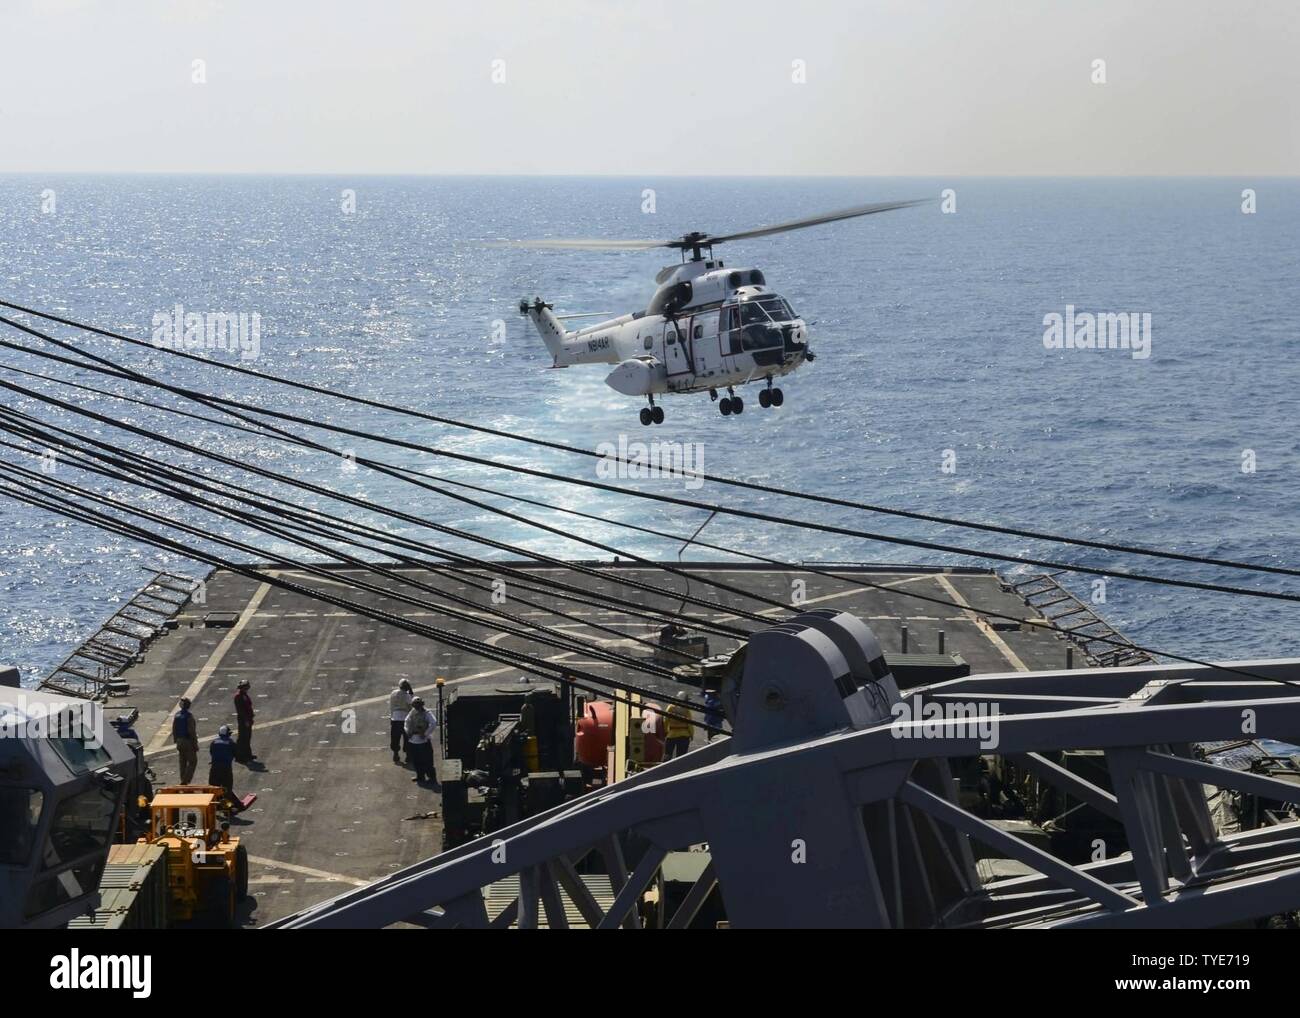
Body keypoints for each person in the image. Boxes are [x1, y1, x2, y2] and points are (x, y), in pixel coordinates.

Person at [208, 725, 243, 811]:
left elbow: (211, 752)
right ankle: (228, 808)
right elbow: (237, 755)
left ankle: (215, 806)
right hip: (226, 769)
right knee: (227, 789)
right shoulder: (231, 743)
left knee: (214, 788)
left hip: (214, 768)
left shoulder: (214, 742)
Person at [404, 697, 438, 785]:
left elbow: (434, 723)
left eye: (418, 705)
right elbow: (406, 722)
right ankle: (420, 776)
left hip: (423, 741)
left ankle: (432, 778)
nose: (417, 707)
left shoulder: (426, 713)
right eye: (415, 705)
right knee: (416, 760)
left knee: (428, 760)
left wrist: (426, 734)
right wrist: (408, 731)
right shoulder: (412, 712)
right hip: (413, 740)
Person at [173, 697, 199, 783]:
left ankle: (182, 779)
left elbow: (174, 730)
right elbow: (191, 731)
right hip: (187, 741)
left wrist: (176, 741)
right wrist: (195, 745)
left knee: (182, 762)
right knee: (193, 762)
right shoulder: (189, 716)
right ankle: (185, 781)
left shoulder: (177, 715)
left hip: (179, 741)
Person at [388, 680, 413, 763]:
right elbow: (411, 706)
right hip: (405, 719)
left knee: (395, 737)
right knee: (407, 738)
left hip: (395, 718)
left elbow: (391, 705)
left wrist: (391, 717)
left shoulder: (393, 693)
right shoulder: (407, 696)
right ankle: (408, 756)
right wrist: (411, 693)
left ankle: (395, 753)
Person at [233, 679, 255, 763]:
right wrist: (246, 720)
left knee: (248, 736)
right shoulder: (238, 696)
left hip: (248, 718)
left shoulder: (244, 695)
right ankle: (240, 756)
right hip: (243, 719)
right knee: (242, 737)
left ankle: (248, 754)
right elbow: (241, 710)